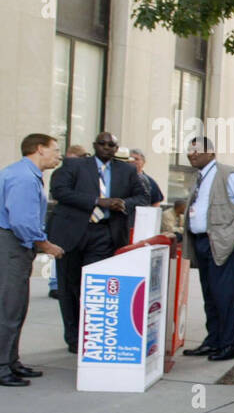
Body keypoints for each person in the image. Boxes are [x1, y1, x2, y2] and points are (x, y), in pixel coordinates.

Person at [47, 131, 150, 353]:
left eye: (111, 145)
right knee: (70, 286)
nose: (106, 148)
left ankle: (92, 334)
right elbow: (59, 191)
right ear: (95, 145)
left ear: (116, 148)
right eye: (102, 144)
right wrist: (97, 201)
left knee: (96, 287)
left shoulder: (128, 170)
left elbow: (143, 197)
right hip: (72, 233)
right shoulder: (75, 166)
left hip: (105, 234)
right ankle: (73, 338)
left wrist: (122, 203)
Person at [181, 136, 234, 361]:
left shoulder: (227, 174)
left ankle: (230, 344)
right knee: (211, 294)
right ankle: (214, 341)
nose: (192, 154)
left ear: (212, 153)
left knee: (225, 295)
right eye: (189, 150)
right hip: (202, 242)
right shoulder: (200, 178)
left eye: (197, 150)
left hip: (224, 243)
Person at [0, 134, 65, 386]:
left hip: (15, 246)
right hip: (11, 245)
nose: (58, 155)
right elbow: (20, 221)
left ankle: (11, 361)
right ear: (39, 149)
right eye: (55, 150)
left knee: (15, 307)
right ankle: (3, 366)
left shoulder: (25, 175)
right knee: (9, 308)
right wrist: (46, 245)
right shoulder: (24, 178)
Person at [46, 143, 87, 299]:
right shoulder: (62, 173)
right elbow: (59, 194)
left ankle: (56, 284)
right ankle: (55, 284)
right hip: (65, 226)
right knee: (60, 256)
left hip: (73, 226)